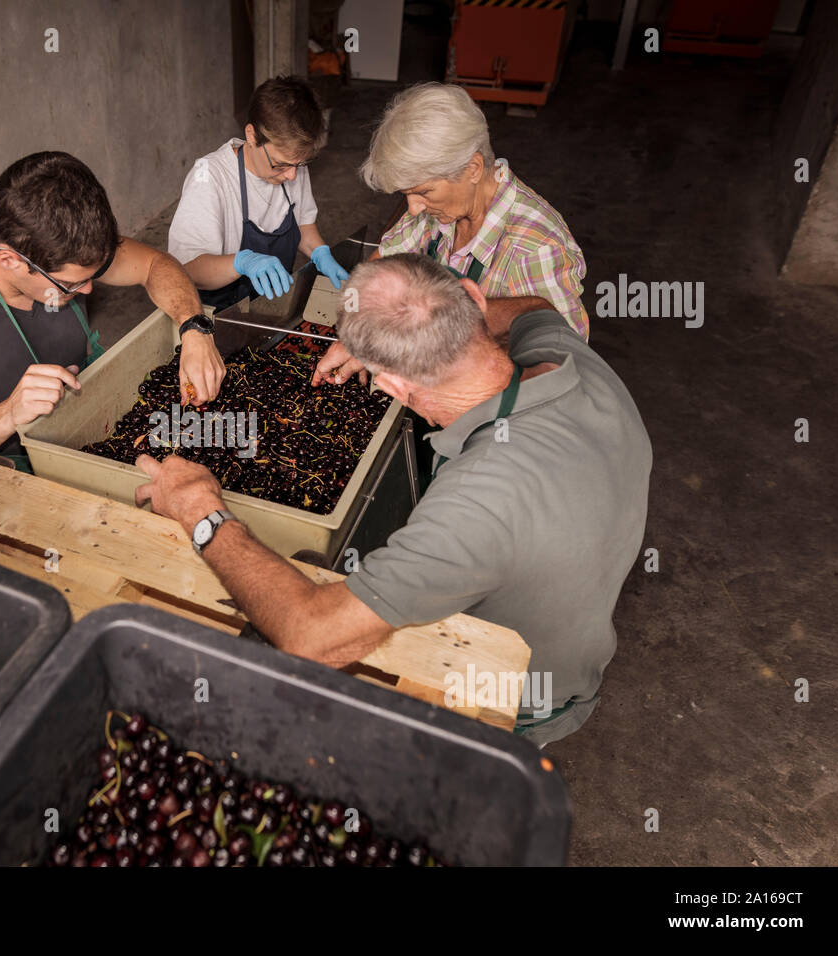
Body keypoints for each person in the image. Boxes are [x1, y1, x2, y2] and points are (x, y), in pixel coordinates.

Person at [134, 254, 651, 747]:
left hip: (514, 698)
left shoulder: (477, 501)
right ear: (471, 297)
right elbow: (538, 307)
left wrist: (202, 512)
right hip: (578, 633)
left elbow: (312, 638)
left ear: (392, 385)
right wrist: (408, 333)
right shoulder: (568, 357)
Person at [0, 152, 225, 470]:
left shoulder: (54, 242)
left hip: (82, 438)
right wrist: (7, 415)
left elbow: (155, 264)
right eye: (70, 286)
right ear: (10, 260)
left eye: (92, 277)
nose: (88, 290)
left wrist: (194, 327)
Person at [314, 82, 588, 388]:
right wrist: (357, 337)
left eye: (424, 192)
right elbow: (380, 265)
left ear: (472, 168)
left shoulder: (535, 248)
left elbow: (563, 370)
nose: (414, 209)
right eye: (407, 194)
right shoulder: (438, 210)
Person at [169, 76, 351, 310]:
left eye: (300, 165)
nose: (292, 176)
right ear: (252, 135)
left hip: (269, 307)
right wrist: (241, 263)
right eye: (280, 164)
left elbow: (303, 224)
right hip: (218, 313)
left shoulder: (291, 166)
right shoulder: (209, 177)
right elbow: (188, 270)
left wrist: (320, 253)